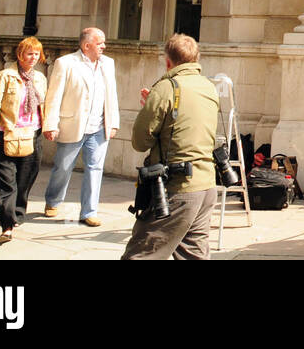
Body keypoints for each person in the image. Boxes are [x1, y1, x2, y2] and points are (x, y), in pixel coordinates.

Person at [121, 34, 220, 260]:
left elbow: (140, 141)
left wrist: (151, 106)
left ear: (168, 61)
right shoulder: (209, 87)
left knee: (141, 254)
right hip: (206, 185)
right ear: (196, 58)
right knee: (192, 255)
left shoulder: (167, 87)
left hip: (177, 187)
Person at [42, 27, 120, 226]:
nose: (104, 46)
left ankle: (89, 211)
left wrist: (113, 123)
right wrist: (50, 124)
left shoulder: (108, 64)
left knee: (95, 168)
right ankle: (53, 200)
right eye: (99, 42)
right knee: (63, 167)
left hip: (99, 127)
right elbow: (54, 96)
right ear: (87, 45)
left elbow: (112, 95)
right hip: (73, 124)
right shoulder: (66, 63)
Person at [0, 36, 47, 244]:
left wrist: (49, 127)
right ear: (20, 54)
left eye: (36, 53)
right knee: (7, 182)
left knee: (25, 180)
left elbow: (44, 106)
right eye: (29, 53)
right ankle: (7, 225)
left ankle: (18, 213)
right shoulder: (6, 76)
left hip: (32, 135)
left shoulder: (40, 79)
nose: (33, 57)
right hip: (7, 134)